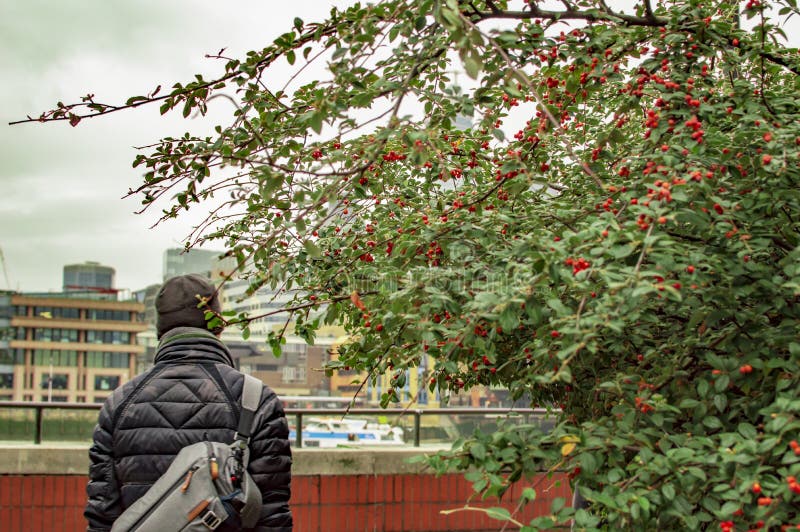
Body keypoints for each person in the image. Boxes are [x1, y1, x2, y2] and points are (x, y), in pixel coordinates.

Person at [85, 274, 293, 531]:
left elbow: (102, 516)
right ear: (218, 325)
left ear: (160, 330)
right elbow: (272, 517)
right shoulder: (255, 400)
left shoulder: (119, 404)